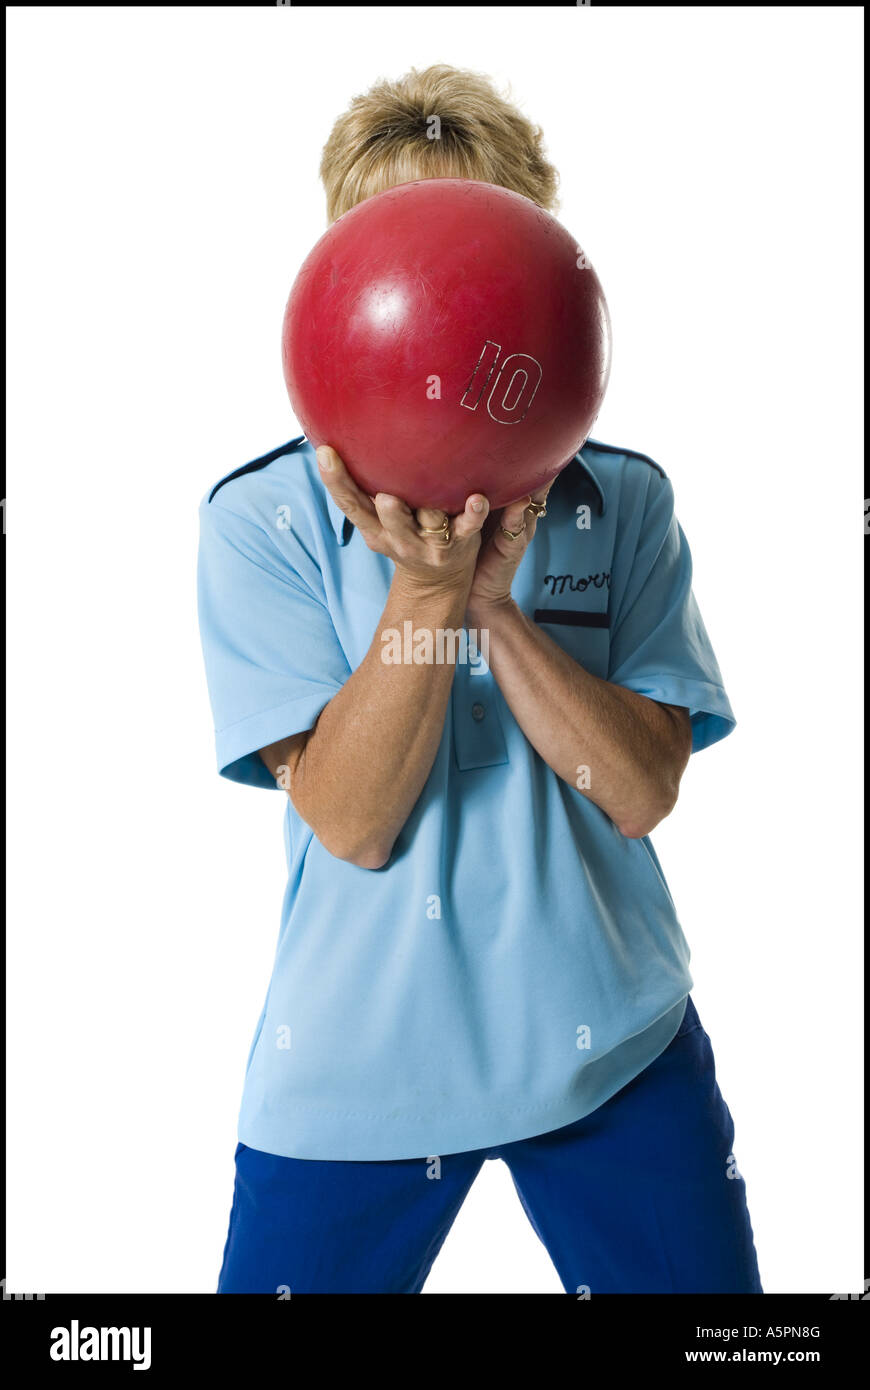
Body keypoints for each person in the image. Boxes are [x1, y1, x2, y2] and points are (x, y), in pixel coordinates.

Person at [197, 63, 762, 1294]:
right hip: (356, 1065)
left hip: (614, 1043)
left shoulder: (627, 500)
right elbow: (349, 820)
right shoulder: (264, 519)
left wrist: (495, 605)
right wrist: (428, 593)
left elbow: (642, 789)